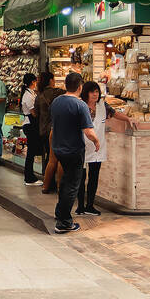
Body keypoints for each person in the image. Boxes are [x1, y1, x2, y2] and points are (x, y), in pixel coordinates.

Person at [50, 72, 100, 232]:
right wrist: (96, 140)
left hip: (58, 147)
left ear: (65, 85)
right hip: (73, 149)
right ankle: (64, 223)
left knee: (65, 181)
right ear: (80, 87)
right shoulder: (80, 105)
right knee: (72, 185)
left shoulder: (56, 102)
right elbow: (88, 131)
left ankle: (60, 212)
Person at [77, 80, 135, 217]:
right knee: (80, 177)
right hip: (81, 145)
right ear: (86, 93)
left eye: (97, 91)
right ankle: (80, 206)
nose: (95, 94)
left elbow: (115, 114)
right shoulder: (80, 106)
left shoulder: (103, 106)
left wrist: (128, 119)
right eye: (92, 92)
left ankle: (89, 205)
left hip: (98, 147)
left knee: (94, 177)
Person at [35, 69, 62, 191]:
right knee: (57, 158)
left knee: (49, 157)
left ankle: (47, 184)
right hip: (55, 129)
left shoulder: (39, 95)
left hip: (43, 129)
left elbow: (36, 113)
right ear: (51, 80)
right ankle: (55, 184)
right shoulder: (57, 92)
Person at [21, 73, 42, 186]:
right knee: (31, 152)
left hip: (30, 124)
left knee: (31, 152)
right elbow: (33, 113)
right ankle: (29, 177)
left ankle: (30, 176)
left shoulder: (30, 93)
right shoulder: (28, 96)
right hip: (30, 124)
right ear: (33, 82)